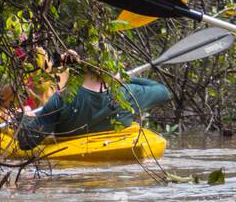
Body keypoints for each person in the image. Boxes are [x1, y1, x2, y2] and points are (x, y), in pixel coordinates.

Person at [15, 49, 171, 150]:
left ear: (82, 66)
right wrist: (124, 80)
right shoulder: (128, 93)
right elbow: (163, 91)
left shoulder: (61, 99)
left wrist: (24, 117)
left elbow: (27, 142)